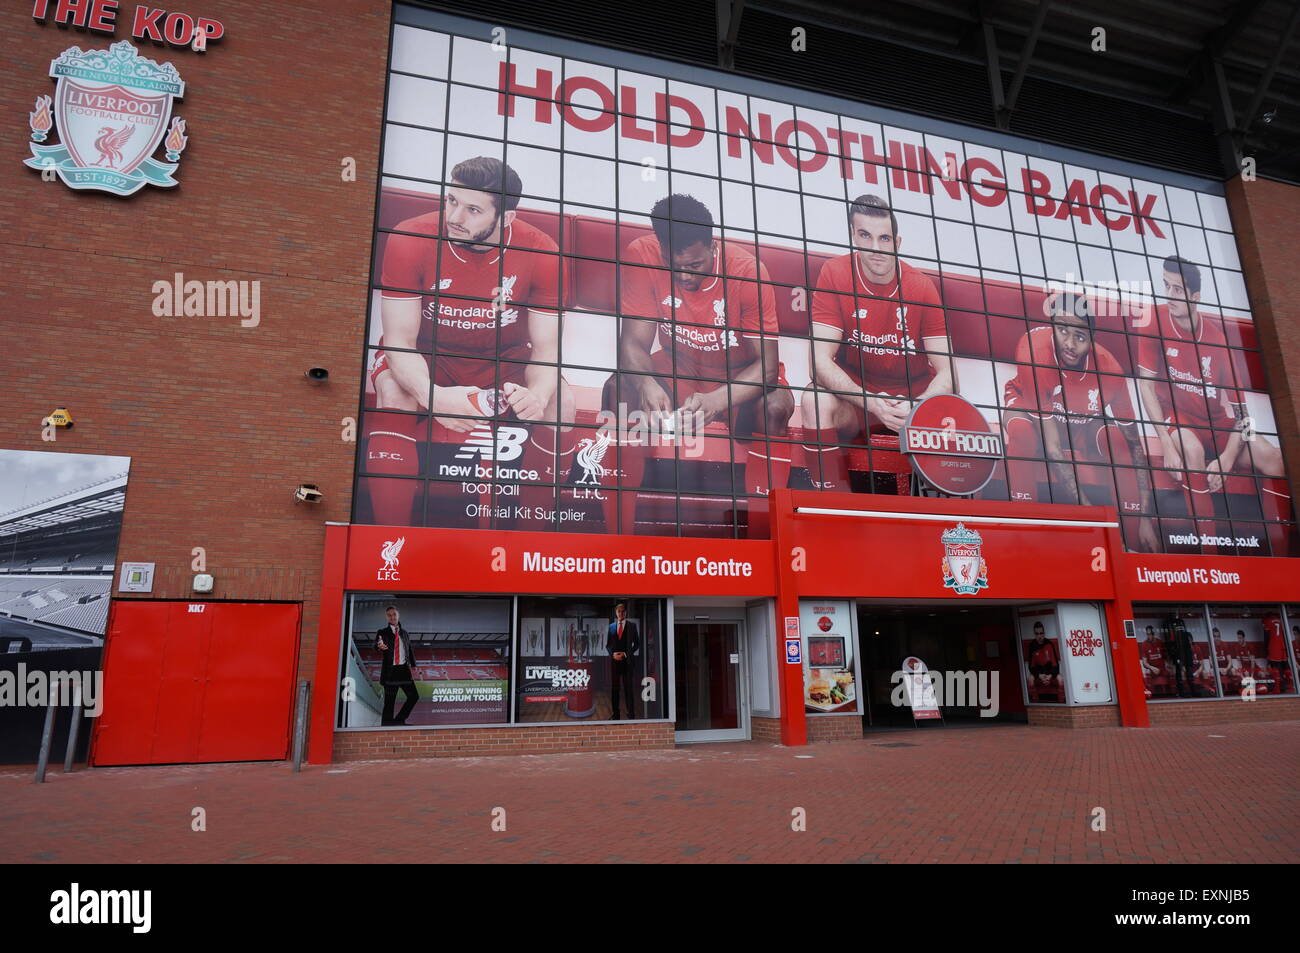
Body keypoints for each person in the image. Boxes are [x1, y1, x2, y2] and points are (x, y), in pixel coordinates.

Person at [365, 155, 574, 522]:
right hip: (429, 355)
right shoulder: (410, 237)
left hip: (504, 359)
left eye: (473, 209)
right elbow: (399, 342)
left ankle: (534, 535)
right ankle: (389, 540)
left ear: (505, 218)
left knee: (561, 404)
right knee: (395, 393)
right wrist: (434, 398)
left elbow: (546, 351)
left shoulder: (542, 252)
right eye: (452, 201)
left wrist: (537, 399)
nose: (455, 217)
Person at [803, 194, 954, 488]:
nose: (875, 248)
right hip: (859, 402)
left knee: (955, 416)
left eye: (884, 238)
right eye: (865, 235)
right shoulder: (834, 273)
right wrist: (872, 402)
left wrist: (918, 406)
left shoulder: (921, 286)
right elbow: (817, 362)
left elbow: (949, 372)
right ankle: (831, 504)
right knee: (814, 399)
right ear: (853, 236)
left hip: (911, 406)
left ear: (897, 243)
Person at [1002, 292, 1160, 552]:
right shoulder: (1034, 352)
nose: (1069, 344)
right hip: (1036, 415)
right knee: (1021, 432)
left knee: (1117, 440)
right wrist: (1095, 522)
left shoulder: (1110, 370)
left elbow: (1134, 445)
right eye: (1063, 330)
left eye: (1080, 337)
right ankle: (1024, 533)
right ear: (1053, 326)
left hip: (1080, 420)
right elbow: (1053, 448)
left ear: (1092, 340)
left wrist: (1145, 517)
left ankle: (1132, 544)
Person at [1135, 256, 1285, 495]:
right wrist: (1165, 441)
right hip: (1178, 418)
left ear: (1195, 297)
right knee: (1193, 452)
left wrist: (1227, 459)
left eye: (1177, 289)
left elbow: (1244, 417)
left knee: (1274, 458)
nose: (1169, 295)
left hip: (1215, 424)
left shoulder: (1218, 341)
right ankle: (1202, 520)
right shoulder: (1153, 319)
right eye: (1166, 285)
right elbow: (1146, 386)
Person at [376, 605, 419, 726]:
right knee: (389, 702)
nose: (392, 617)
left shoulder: (404, 633)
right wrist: (379, 645)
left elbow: (409, 649)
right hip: (390, 672)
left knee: (414, 696)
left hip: (404, 670)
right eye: (389, 615)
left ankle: (399, 720)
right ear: (387, 618)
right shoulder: (382, 632)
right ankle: (386, 726)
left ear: (398, 616)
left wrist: (414, 665)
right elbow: (376, 644)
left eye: (394, 614)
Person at [605, 602, 641, 719]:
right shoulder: (611, 627)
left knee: (628, 689)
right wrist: (613, 655)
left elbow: (637, 644)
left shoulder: (632, 626)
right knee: (615, 689)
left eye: (622, 611)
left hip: (627, 662)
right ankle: (616, 714)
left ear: (626, 612)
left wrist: (625, 654)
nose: (621, 613)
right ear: (616, 613)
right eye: (618, 611)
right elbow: (608, 645)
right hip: (615, 663)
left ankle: (631, 714)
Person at [1025, 622, 1062, 702]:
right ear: (1034, 634)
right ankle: (1035, 703)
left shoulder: (1049, 644)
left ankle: (1061, 702)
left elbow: (1055, 663)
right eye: (1037, 634)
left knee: (1060, 679)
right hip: (1039, 673)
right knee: (1030, 679)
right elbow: (1031, 666)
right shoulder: (1032, 645)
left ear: (1044, 633)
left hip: (1050, 672)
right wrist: (1039, 675)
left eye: (1041, 633)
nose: (1039, 636)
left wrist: (1050, 675)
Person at [1165, 618, 1196, 698]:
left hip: (1186, 656)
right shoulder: (1172, 635)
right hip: (1178, 656)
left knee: (1189, 675)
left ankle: (1193, 691)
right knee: (1179, 674)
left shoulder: (1186, 635)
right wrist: (1174, 657)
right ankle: (1182, 692)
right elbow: (1171, 647)